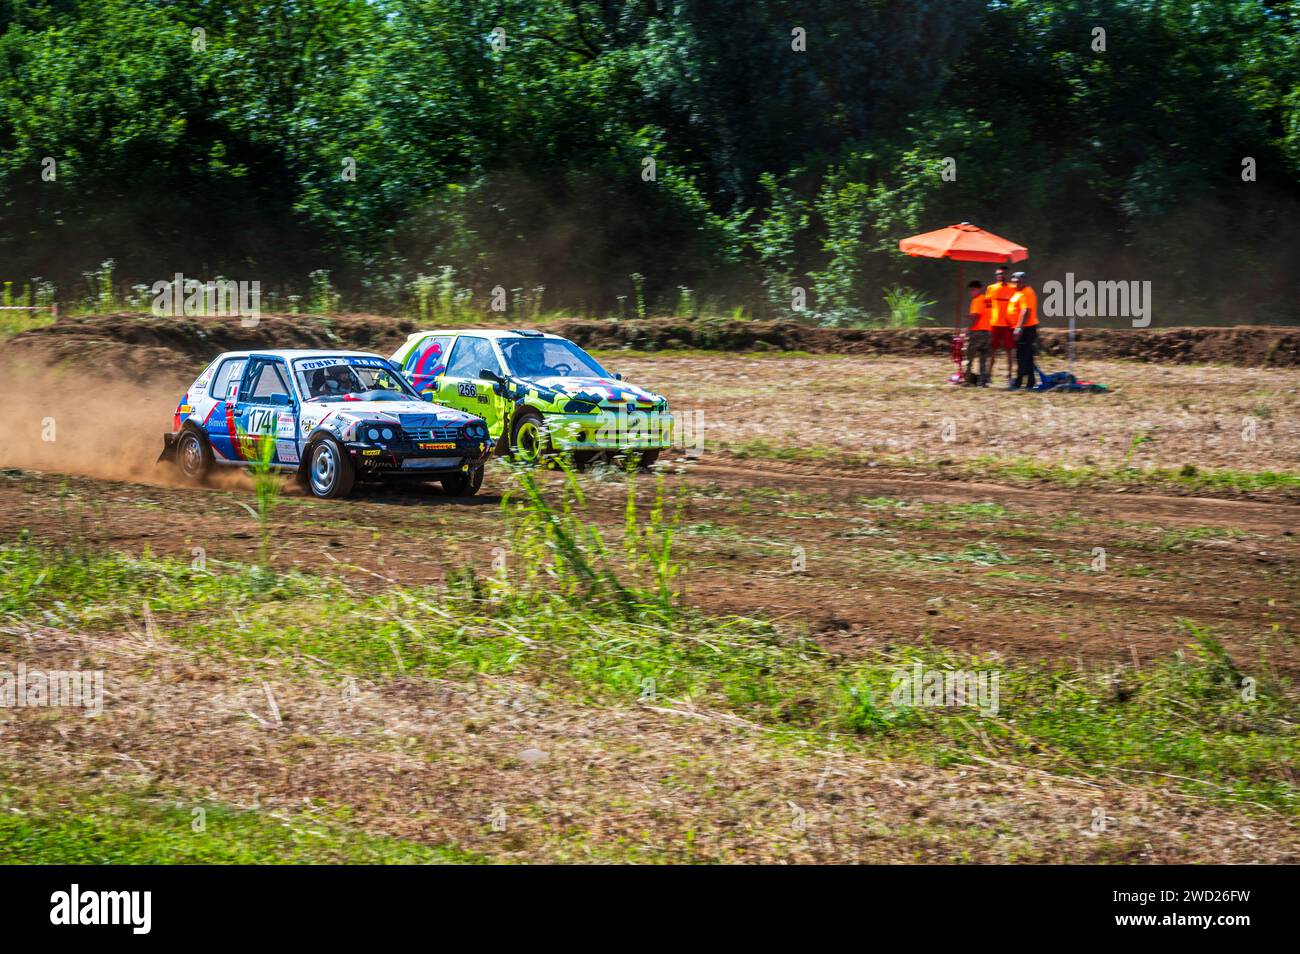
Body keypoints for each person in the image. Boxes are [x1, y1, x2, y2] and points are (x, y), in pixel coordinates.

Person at [1008, 271, 1039, 390]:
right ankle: (1030, 382)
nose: (1015, 283)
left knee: (1022, 356)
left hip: (1026, 329)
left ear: (1024, 282)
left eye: (1018, 281)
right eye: (1014, 281)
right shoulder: (1018, 292)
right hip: (1021, 328)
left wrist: (1018, 329)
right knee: (1027, 356)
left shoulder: (1026, 292)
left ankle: (1018, 382)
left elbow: (1025, 312)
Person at [986, 266, 1016, 386]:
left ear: (1007, 275)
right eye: (998, 274)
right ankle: (988, 375)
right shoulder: (991, 288)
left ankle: (1009, 376)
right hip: (994, 324)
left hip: (1008, 324)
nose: (1001, 276)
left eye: (1003, 274)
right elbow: (988, 306)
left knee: (1009, 351)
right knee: (992, 351)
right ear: (996, 275)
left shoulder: (1013, 288)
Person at [964, 279, 992, 386]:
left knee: (970, 357)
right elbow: (985, 314)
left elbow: (976, 316)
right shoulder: (987, 300)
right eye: (969, 290)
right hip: (988, 332)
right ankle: (983, 381)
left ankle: (967, 380)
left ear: (979, 289)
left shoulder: (977, 300)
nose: (971, 292)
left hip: (977, 333)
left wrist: (969, 329)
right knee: (983, 358)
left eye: (973, 290)